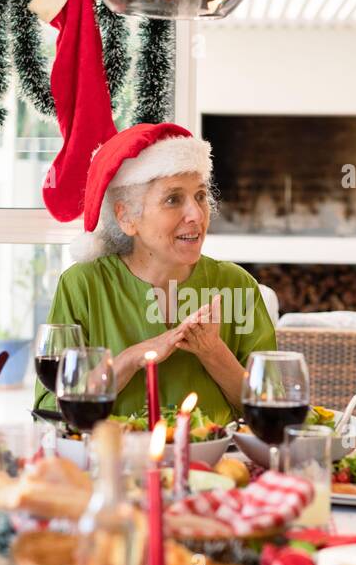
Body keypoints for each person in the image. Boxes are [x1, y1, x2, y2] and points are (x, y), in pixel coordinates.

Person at [37, 123, 277, 425]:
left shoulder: (235, 284)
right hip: (112, 463)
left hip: (215, 466)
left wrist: (213, 352)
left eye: (200, 196)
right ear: (126, 217)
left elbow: (273, 411)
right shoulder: (83, 285)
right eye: (173, 199)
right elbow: (49, 410)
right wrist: (130, 359)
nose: (197, 215)